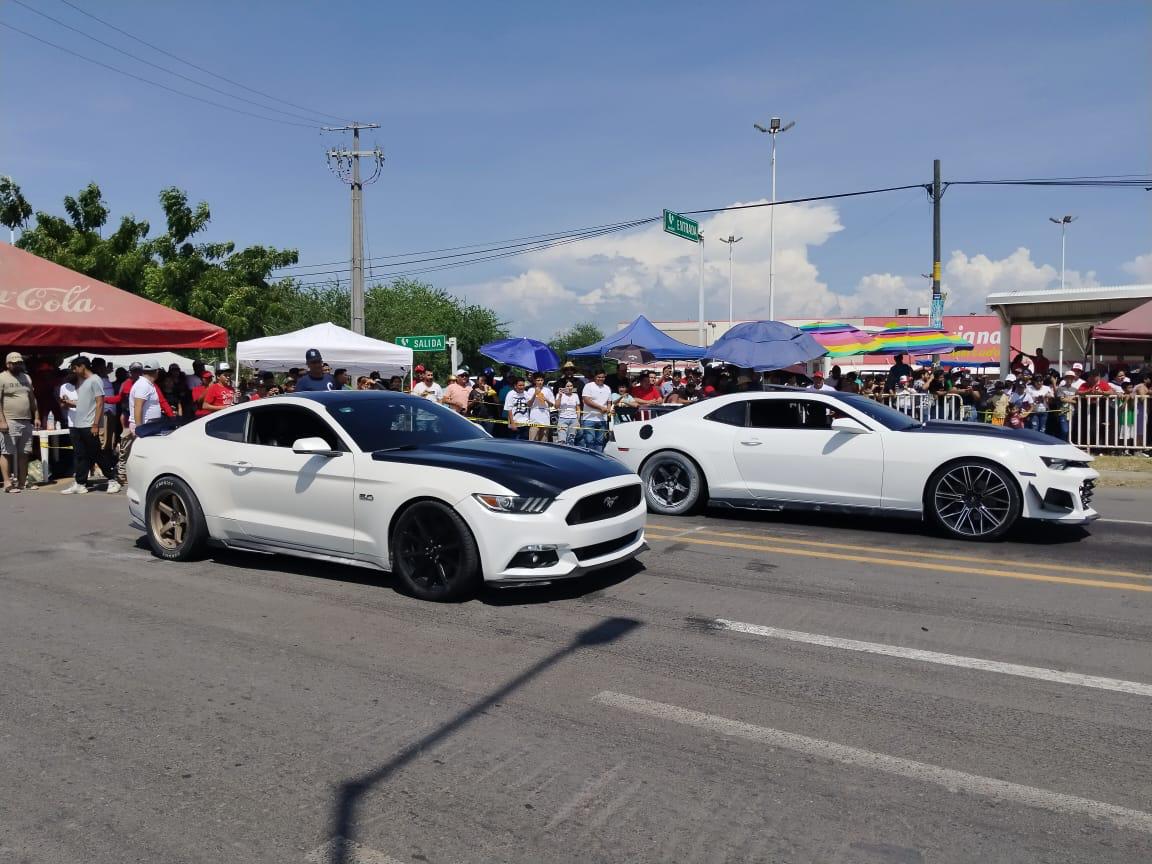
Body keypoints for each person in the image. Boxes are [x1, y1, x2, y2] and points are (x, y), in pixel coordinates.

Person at [61, 357, 119, 494]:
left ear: (82, 366)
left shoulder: (95, 380)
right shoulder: (84, 382)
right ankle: (80, 483)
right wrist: (70, 402)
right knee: (81, 454)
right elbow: (85, 402)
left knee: (97, 453)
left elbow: (100, 402)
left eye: (75, 368)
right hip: (78, 424)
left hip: (90, 424)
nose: (74, 371)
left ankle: (112, 480)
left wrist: (95, 424)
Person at [0, 351, 40, 493]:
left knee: (25, 452)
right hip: (10, 420)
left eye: (20, 362)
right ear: (8, 364)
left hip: (26, 420)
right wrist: (2, 421)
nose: (18, 365)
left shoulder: (26, 377)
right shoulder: (2, 378)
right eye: (15, 363)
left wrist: (36, 416)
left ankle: (23, 482)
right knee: (7, 452)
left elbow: (32, 398)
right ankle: (7, 483)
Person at [579, 370, 612, 451]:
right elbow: (586, 400)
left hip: (602, 419)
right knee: (589, 441)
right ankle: (589, 460)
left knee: (600, 442)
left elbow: (609, 402)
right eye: (599, 377)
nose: (601, 379)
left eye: (603, 377)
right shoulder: (588, 386)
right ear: (595, 377)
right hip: (589, 418)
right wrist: (600, 407)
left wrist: (609, 410)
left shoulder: (607, 388)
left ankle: (598, 460)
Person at [525, 373, 555, 442]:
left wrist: (546, 399)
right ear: (535, 381)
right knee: (532, 439)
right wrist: (534, 394)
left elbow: (552, 405)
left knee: (544, 440)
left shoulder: (548, 390)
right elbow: (529, 404)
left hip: (545, 416)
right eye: (538, 380)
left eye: (541, 380)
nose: (540, 382)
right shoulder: (530, 390)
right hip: (534, 416)